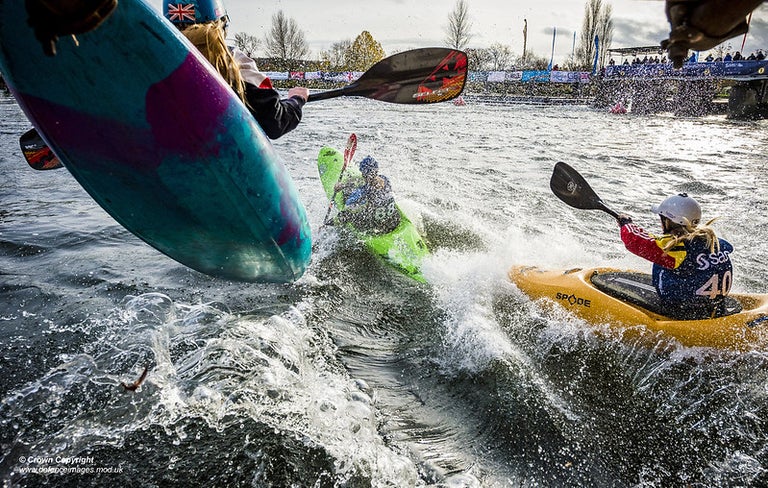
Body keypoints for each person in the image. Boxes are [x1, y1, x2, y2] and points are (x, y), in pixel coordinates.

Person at [163, 0, 308, 139]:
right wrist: (296, 100)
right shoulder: (233, 61)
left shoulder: (155, 58)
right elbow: (276, 122)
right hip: (221, 156)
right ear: (221, 23)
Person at [617, 193, 734, 319]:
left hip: (681, 309)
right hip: (713, 306)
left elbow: (635, 241)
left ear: (667, 222)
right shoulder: (714, 242)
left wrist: (626, 224)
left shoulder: (676, 248)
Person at [333, 156, 401, 234]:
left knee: (347, 214)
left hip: (377, 227)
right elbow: (366, 181)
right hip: (392, 221)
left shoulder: (365, 191)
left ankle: (326, 226)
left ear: (364, 174)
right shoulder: (385, 180)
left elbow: (350, 206)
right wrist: (345, 185)